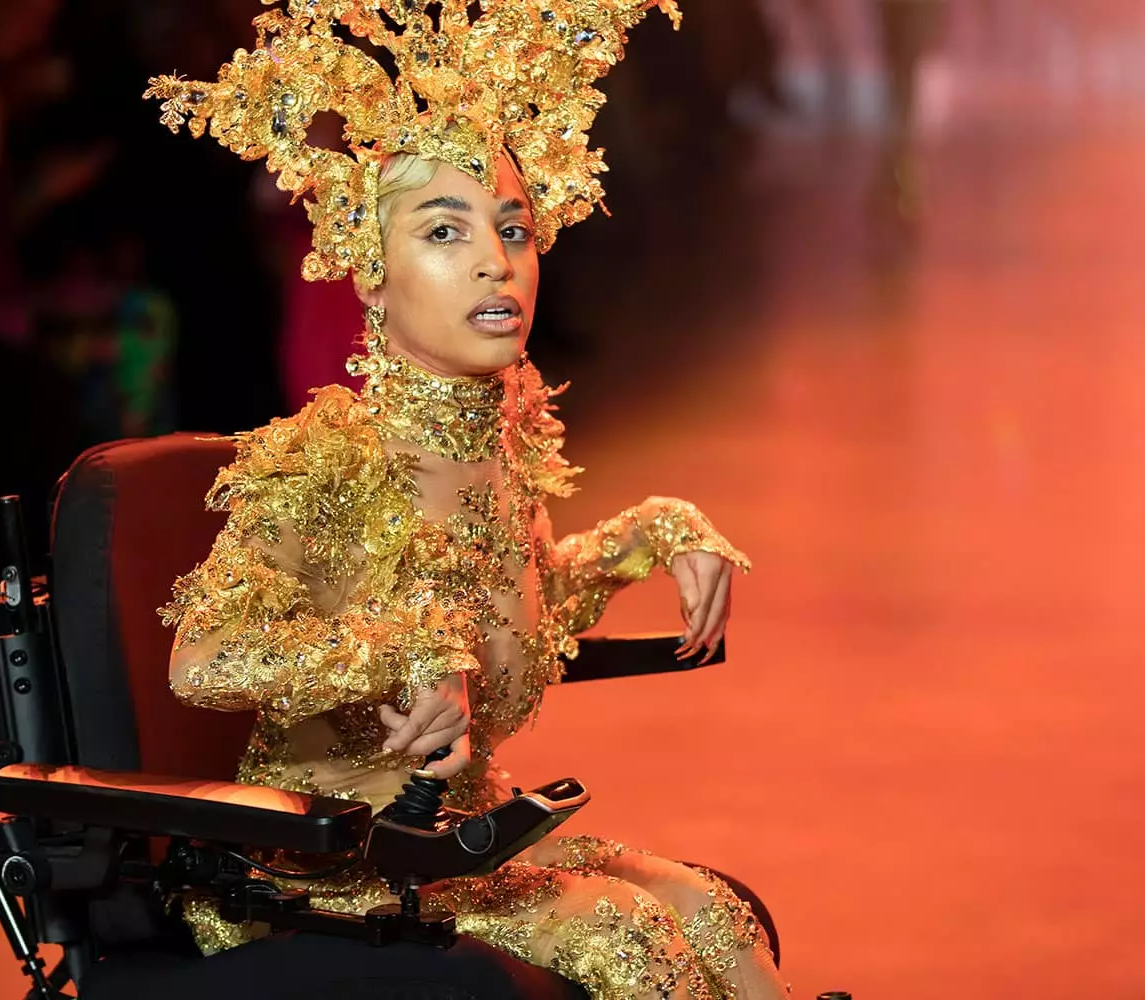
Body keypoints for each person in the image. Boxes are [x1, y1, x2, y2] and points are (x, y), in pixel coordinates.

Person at [149, 3, 789, 997]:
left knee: (717, 913)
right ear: (372, 263)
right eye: (445, 231)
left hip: (456, 841)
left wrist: (655, 532)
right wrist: (397, 648)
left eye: (513, 227)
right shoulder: (326, 462)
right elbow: (204, 656)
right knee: (629, 935)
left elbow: (515, 625)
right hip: (312, 869)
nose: (497, 260)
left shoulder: (508, 444)